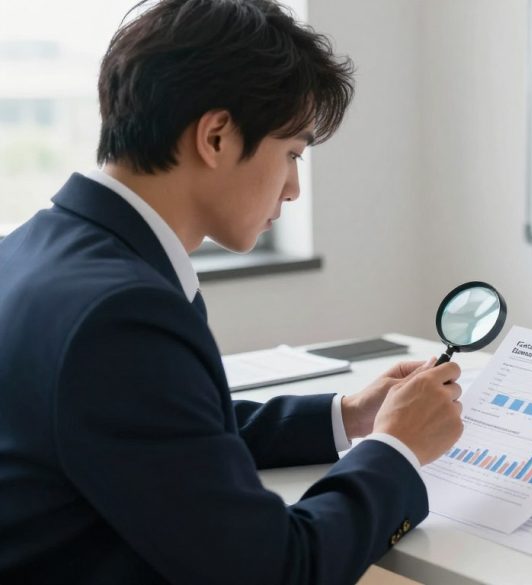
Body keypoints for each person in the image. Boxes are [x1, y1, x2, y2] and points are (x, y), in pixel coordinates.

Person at [0, 1, 465, 583]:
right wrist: (398, 448)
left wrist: (350, 417)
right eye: (292, 153)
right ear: (216, 136)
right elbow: (276, 570)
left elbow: (168, 433)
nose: (294, 188)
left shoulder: (30, 251)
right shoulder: (121, 315)